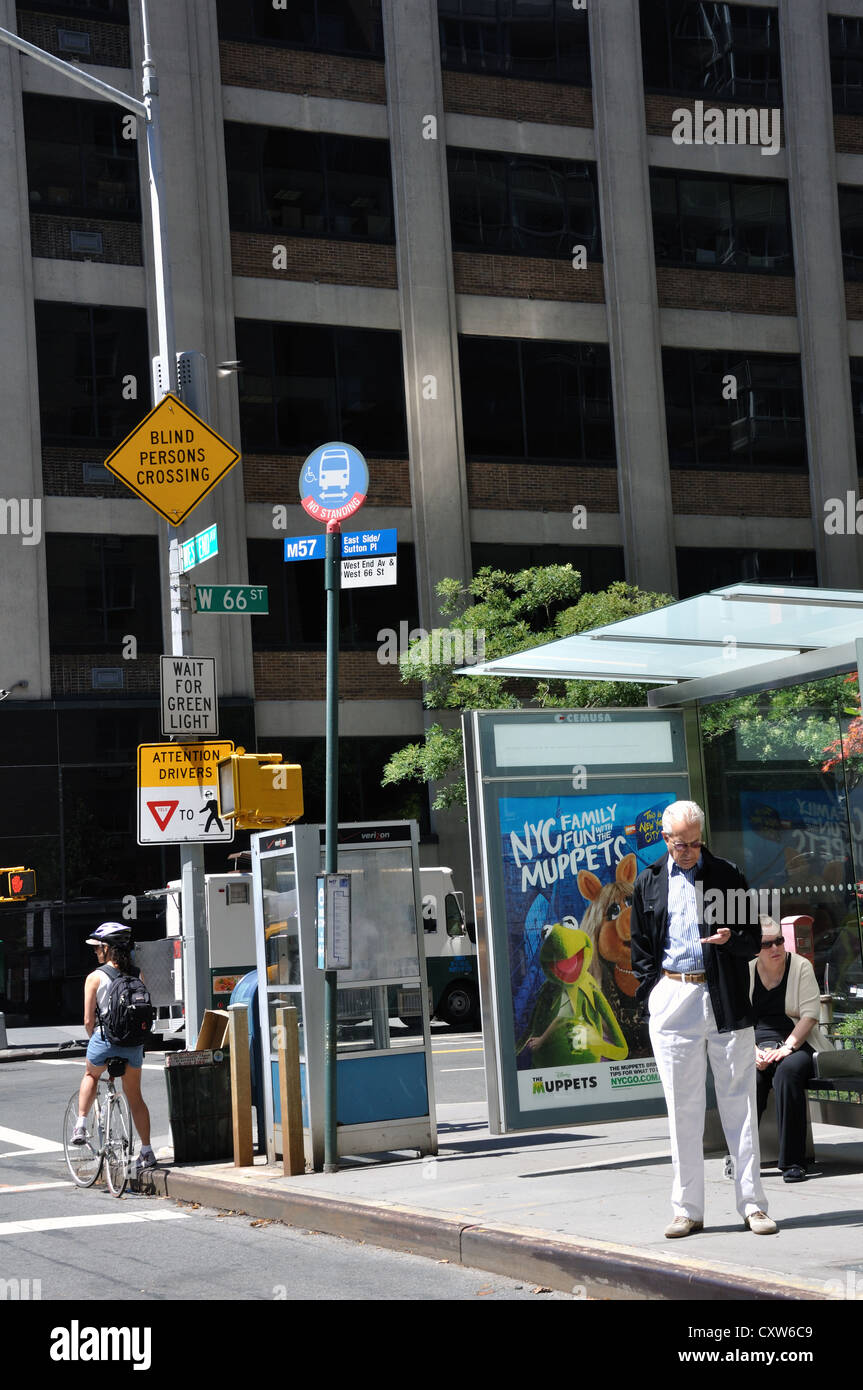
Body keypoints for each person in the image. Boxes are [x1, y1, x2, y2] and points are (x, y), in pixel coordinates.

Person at [630, 800, 776, 1237]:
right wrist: (652, 992)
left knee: (740, 1104)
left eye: (695, 843)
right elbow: (639, 946)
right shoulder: (649, 881)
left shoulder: (726, 874)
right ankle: (687, 1210)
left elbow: (754, 938)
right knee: (683, 1109)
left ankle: (753, 1205)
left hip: (725, 998)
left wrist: (732, 939)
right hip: (673, 994)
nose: (690, 851)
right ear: (665, 839)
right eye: (681, 844)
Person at [750, 917, 832, 1182]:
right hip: (758, 1046)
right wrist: (752, 1051)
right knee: (750, 1078)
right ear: (756, 948)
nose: (775, 948)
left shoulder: (801, 966)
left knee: (787, 1073)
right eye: (767, 944)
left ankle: (793, 1162)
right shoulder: (747, 971)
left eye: (779, 941)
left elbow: (809, 1017)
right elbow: (739, 1021)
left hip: (797, 1042)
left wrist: (786, 1048)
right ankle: (741, 1157)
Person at [71, 922, 156, 1172]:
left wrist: (95, 1038)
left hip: (105, 1040)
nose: (95, 952)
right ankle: (147, 1151)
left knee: (90, 1074)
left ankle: (81, 1125)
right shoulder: (137, 974)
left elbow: (88, 1021)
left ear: (107, 949)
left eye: (98, 947)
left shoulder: (95, 977)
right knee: (135, 1097)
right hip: (133, 1044)